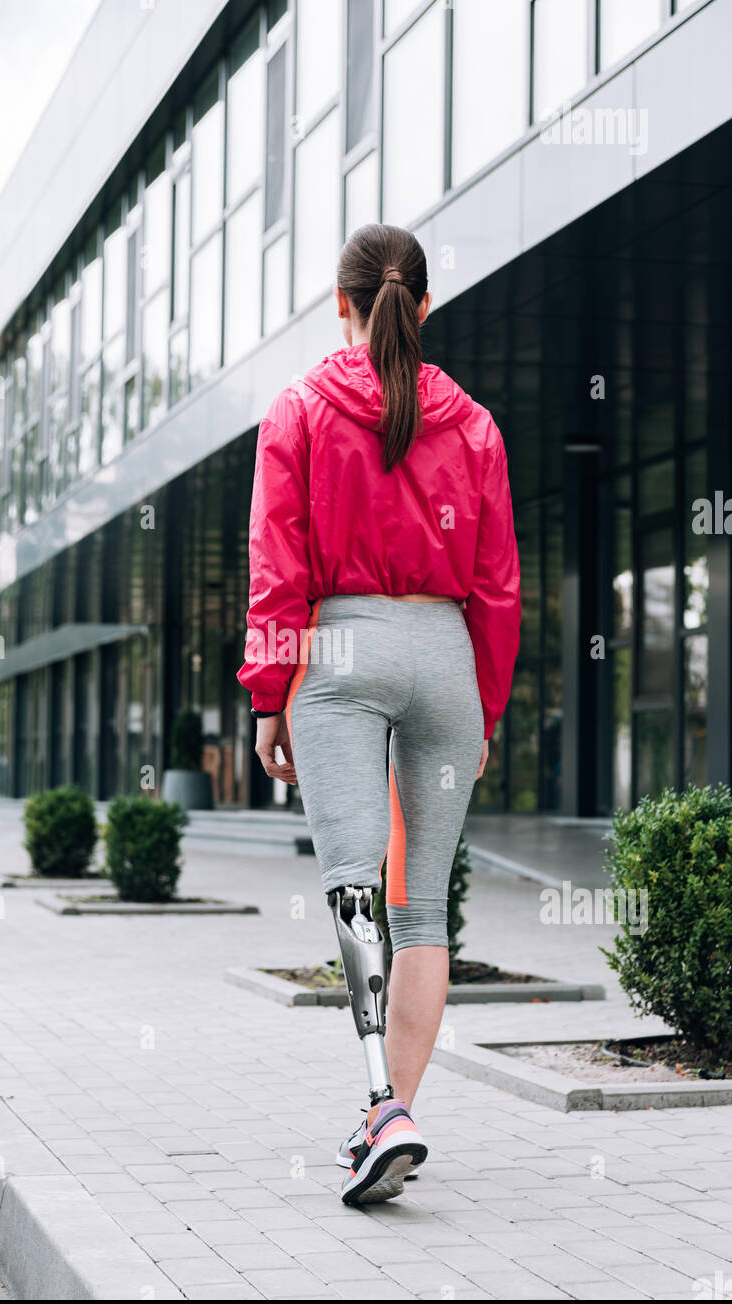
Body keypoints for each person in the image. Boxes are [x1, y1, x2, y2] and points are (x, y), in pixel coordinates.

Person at [237, 223, 521, 1204]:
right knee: (421, 908)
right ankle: (387, 1113)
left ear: (340, 301)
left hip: (344, 653)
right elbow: (497, 585)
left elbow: (280, 563)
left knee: (355, 892)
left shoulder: (302, 409)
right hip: (445, 655)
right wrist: (482, 707)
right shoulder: (476, 424)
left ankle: (377, 1107)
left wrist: (268, 695)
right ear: (427, 307)